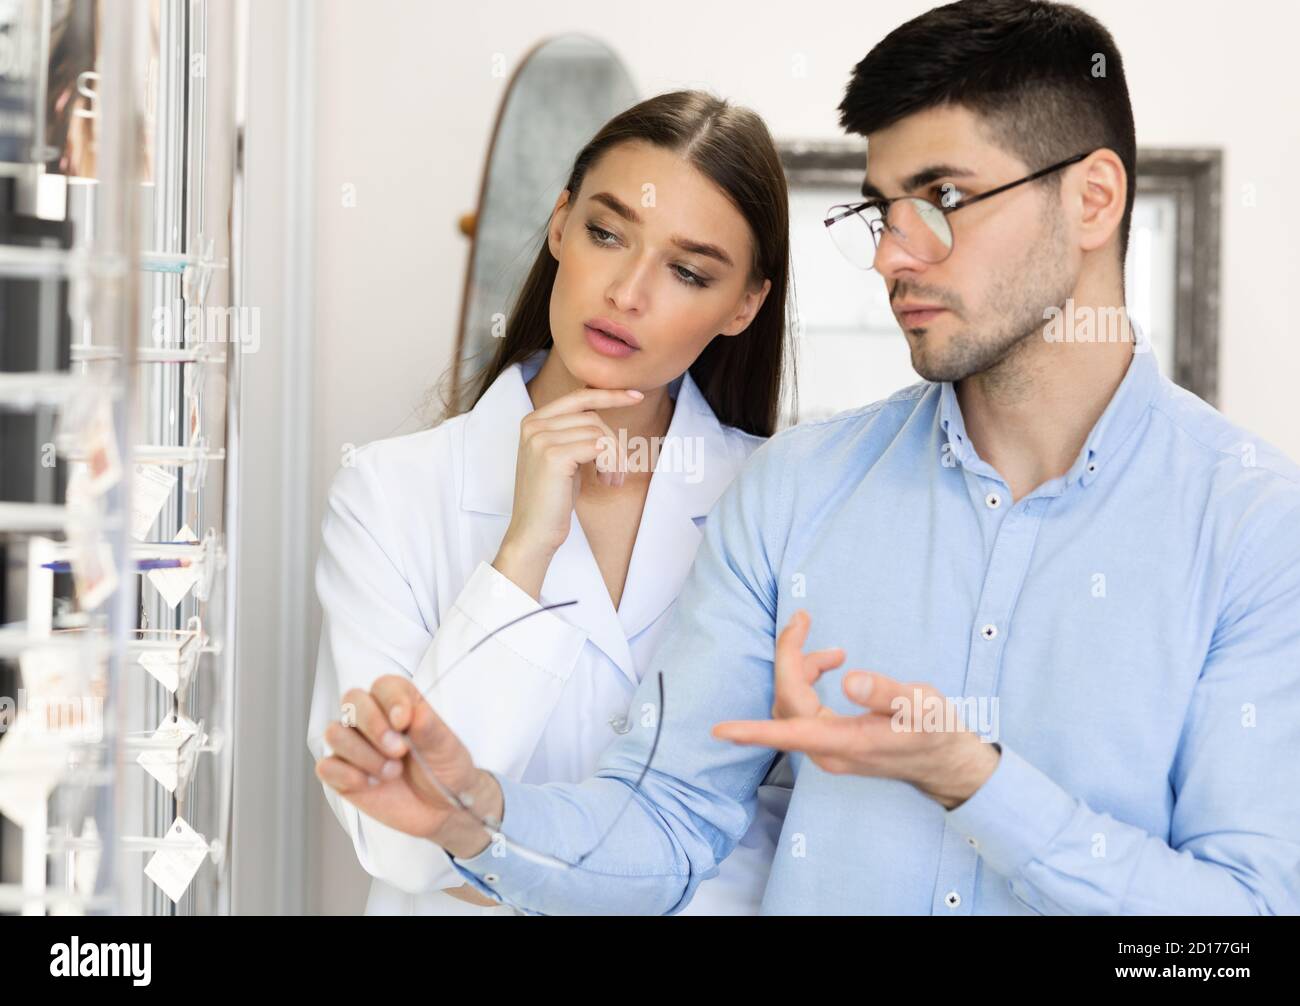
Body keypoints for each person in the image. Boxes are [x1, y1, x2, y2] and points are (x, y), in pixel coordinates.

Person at [319, 0, 1300, 915]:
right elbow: (666, 822)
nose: (891, 255)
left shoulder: (1254, 527)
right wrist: (472, 812)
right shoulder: (793, 490)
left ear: (1092, 200)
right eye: (881, 209)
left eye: (943, 196)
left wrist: (975, 780)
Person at [308, 90, 798, 914]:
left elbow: (779, 828)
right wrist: (522, 553)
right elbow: (399, 842)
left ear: (744, 305)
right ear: (560, 223)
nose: (629, 292)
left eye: (688, 271)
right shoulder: (390, 494)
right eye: (608, 234)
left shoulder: (779, 498)